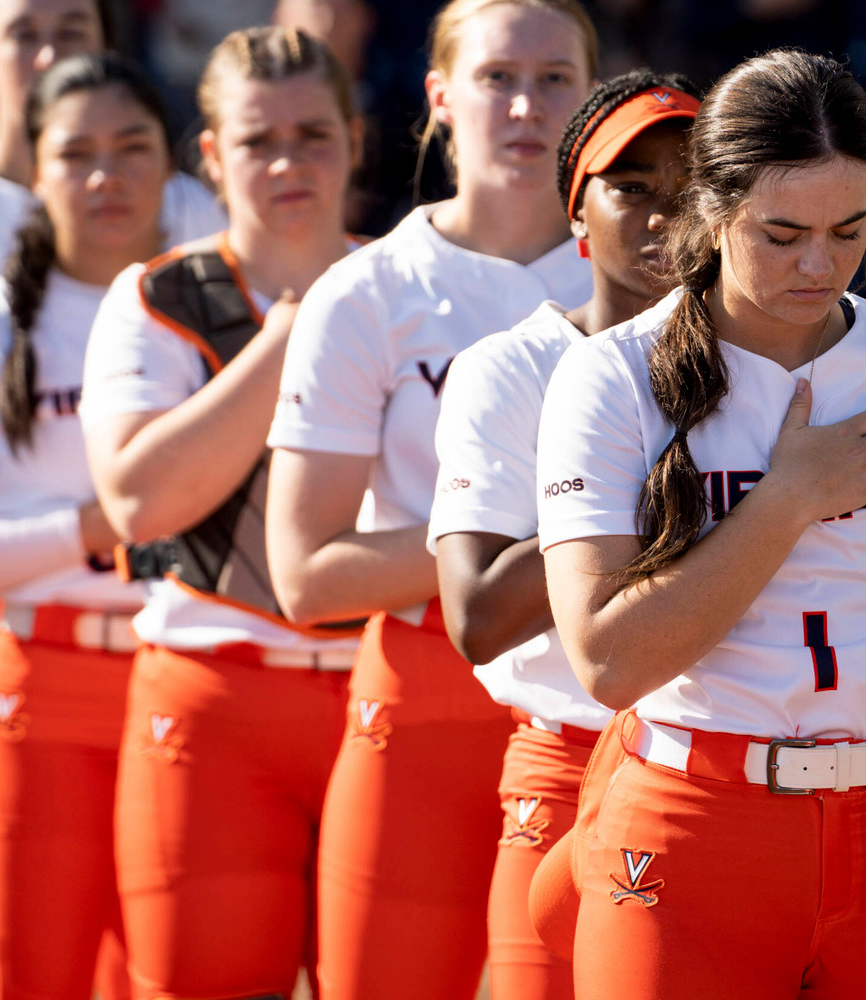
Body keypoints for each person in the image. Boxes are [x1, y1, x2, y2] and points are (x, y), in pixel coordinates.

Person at [533, 48, 866, 999]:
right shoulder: (611, 376)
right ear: (711, 207)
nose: (818, 264)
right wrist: (785, 501)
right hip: (692, 820)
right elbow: (609, 663)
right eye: (781, 233)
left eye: (847, 230)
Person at [0, 4, 222, 992]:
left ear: (172, 164)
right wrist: (101, 526)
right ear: (35, 167)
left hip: (192, 684)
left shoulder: (230, 309)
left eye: (132, 147)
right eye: (77, 153)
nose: (106, 177)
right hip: (39, 685)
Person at [263, 2, 596, 996]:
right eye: (497, 76)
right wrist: (523, 541)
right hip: (419, 703)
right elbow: (306, 574)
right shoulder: (367, 291)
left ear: (594, 98)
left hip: (594, 702)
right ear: (441, 96)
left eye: (556, 78)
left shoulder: (659, 288)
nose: (527, 105)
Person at [81, 27, 364, 1000]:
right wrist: (294, 336)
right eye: (256, 139)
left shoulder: (420, 286)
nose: (287, 161)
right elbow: (139, 500)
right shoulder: (156, 296)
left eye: (313, 133)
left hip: (391, 705)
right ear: (209, 154)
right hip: (213, 700)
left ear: (357, 139)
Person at [429, 68, 697, 1000]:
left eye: (693, 184)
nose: (667, 212)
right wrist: (627, 477)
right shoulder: (509, 370)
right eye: (632, 186)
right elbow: (476, 617)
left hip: (724, 770)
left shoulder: (775, 364)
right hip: (569, 749)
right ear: (577, 213)